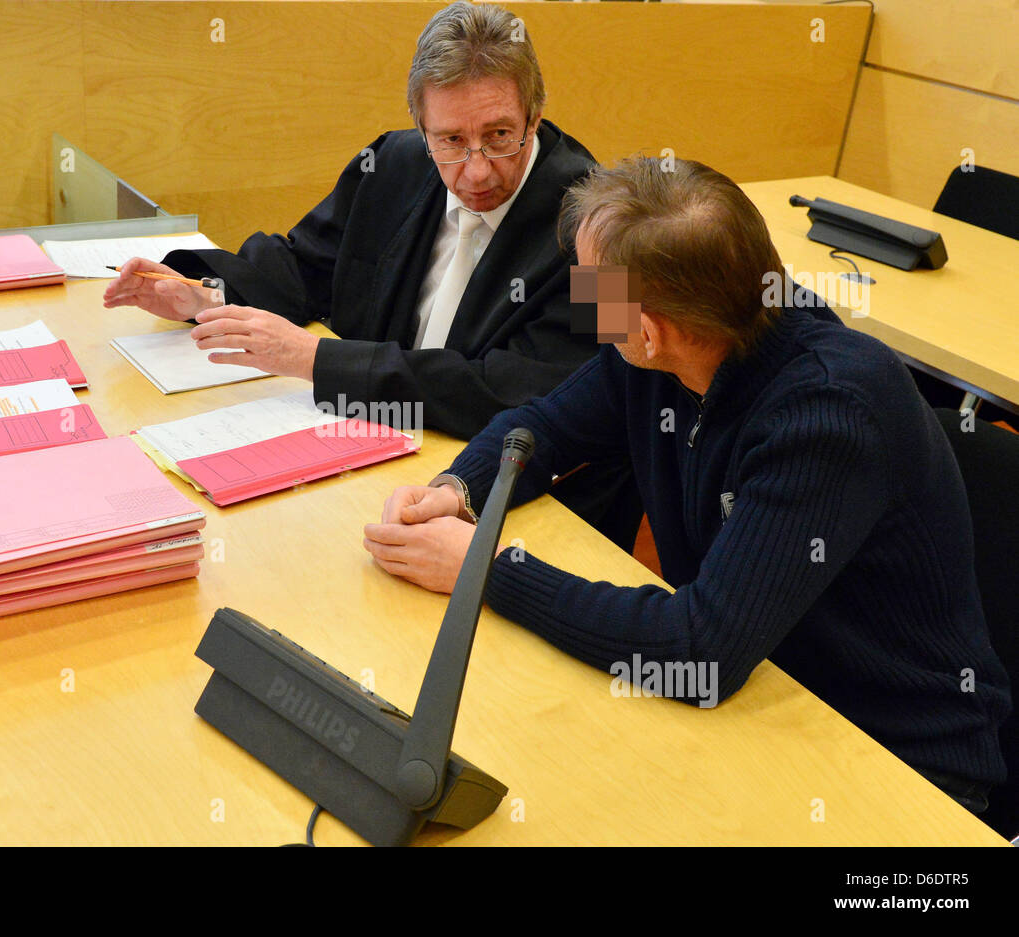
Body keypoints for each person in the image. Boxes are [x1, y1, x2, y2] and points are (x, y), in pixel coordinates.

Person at [363, 156, 1011, 810]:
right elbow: (542, 427)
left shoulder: (828, 415)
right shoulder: (672, 345)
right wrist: (460, 488)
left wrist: (488, 569)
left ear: (647, 328)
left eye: (589, 288)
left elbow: (704, 648)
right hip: (759, 708)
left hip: (898, 776)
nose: (581, 304)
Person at [103, 1, 641, 548]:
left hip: (512, 509)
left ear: (535, 114)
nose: (476, 169)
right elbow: (306, 267)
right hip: (368, 468)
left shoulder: (601, 233)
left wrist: (316, 360)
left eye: (501, 135)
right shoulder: (392, 163)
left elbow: (519, 395)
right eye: (451, 140)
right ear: (421, 127)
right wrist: (204, 295)